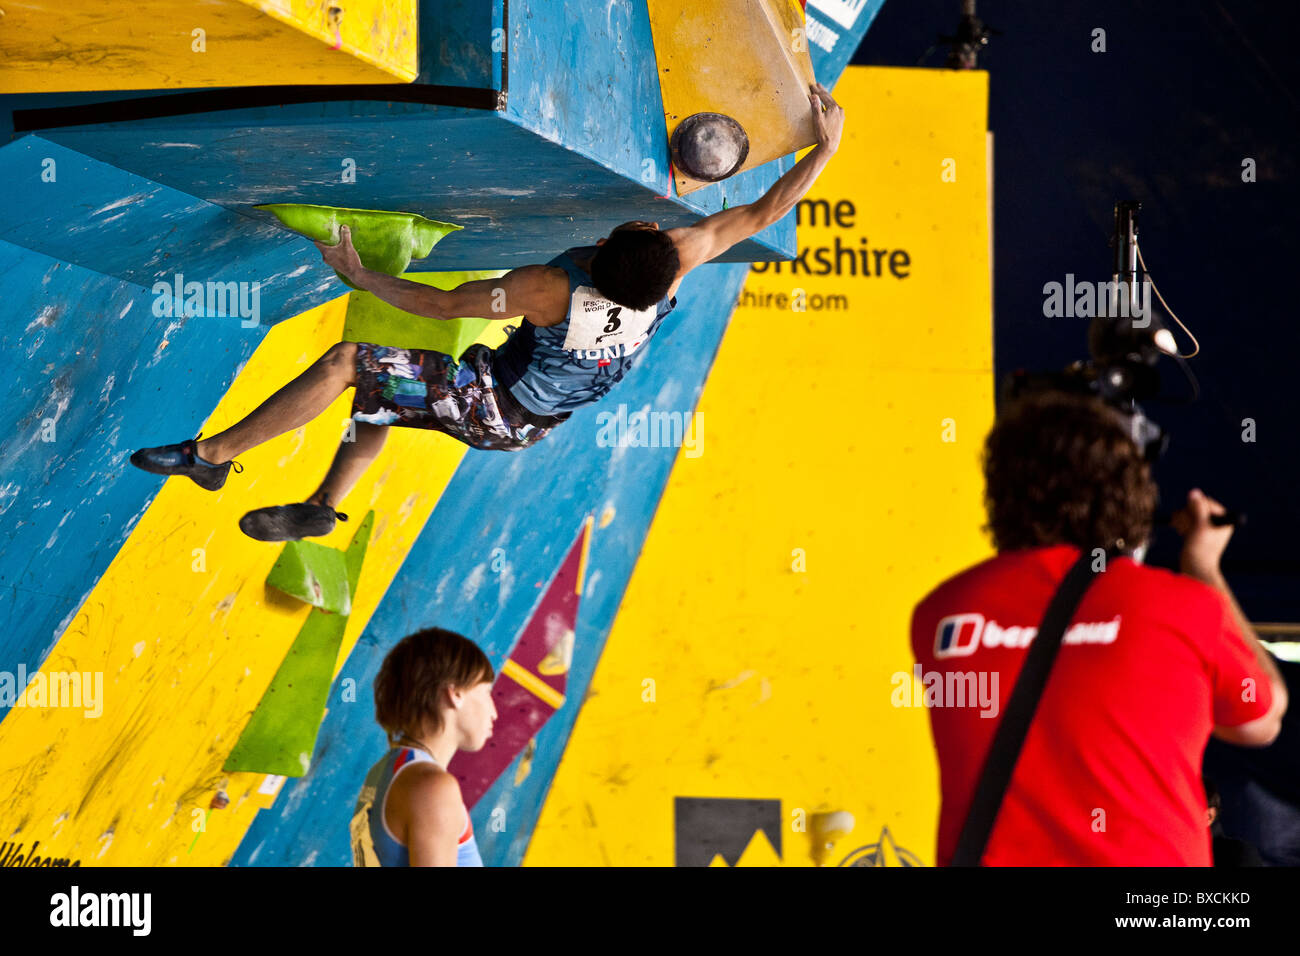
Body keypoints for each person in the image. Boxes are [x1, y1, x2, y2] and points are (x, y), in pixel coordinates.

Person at [129, 83, 846, 542]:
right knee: (384, 399)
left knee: (352, 363)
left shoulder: (547, 290)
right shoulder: (672, 269)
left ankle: (209, 458)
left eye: (613, 236)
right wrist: (825, 149)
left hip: (490, 406)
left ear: (603, 253)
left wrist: (358, 273)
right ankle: (323, 505)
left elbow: (439, 304)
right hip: (529, 423)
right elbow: (761, 210)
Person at [910, 391, 1287, 866]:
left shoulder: (942, 611)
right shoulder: (1181, 605)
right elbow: (1261, 718)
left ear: (998, 492)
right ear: (1130, 492)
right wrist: (1204, 566)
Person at [350, 627, 497, 867]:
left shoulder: (387, 770)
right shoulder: (433, 786)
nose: (494, 712)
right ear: (456, 693)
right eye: (486, 692)